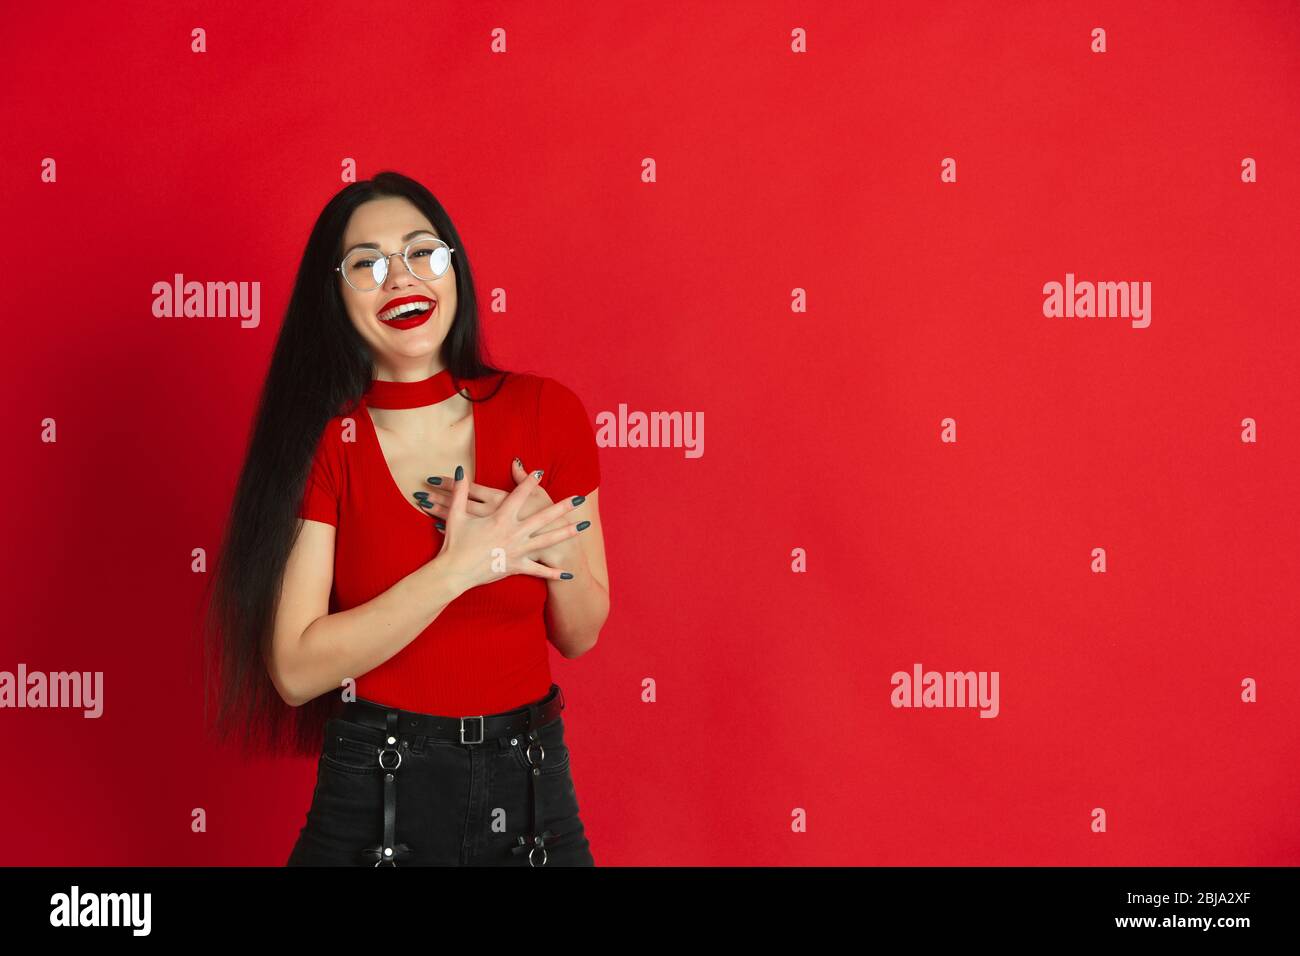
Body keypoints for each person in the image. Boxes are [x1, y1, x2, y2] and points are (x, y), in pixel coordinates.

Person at [200, 170, 609, 866]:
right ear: (335, 297)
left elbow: (580, 633)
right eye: (369, 265)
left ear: (455, 268)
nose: (402, 277)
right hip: (375, 797)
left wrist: (548, 533)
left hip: (534, 789)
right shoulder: (327, 441)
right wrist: (458, 570)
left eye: (424, 251)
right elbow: (296, 670)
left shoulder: (546, 413)